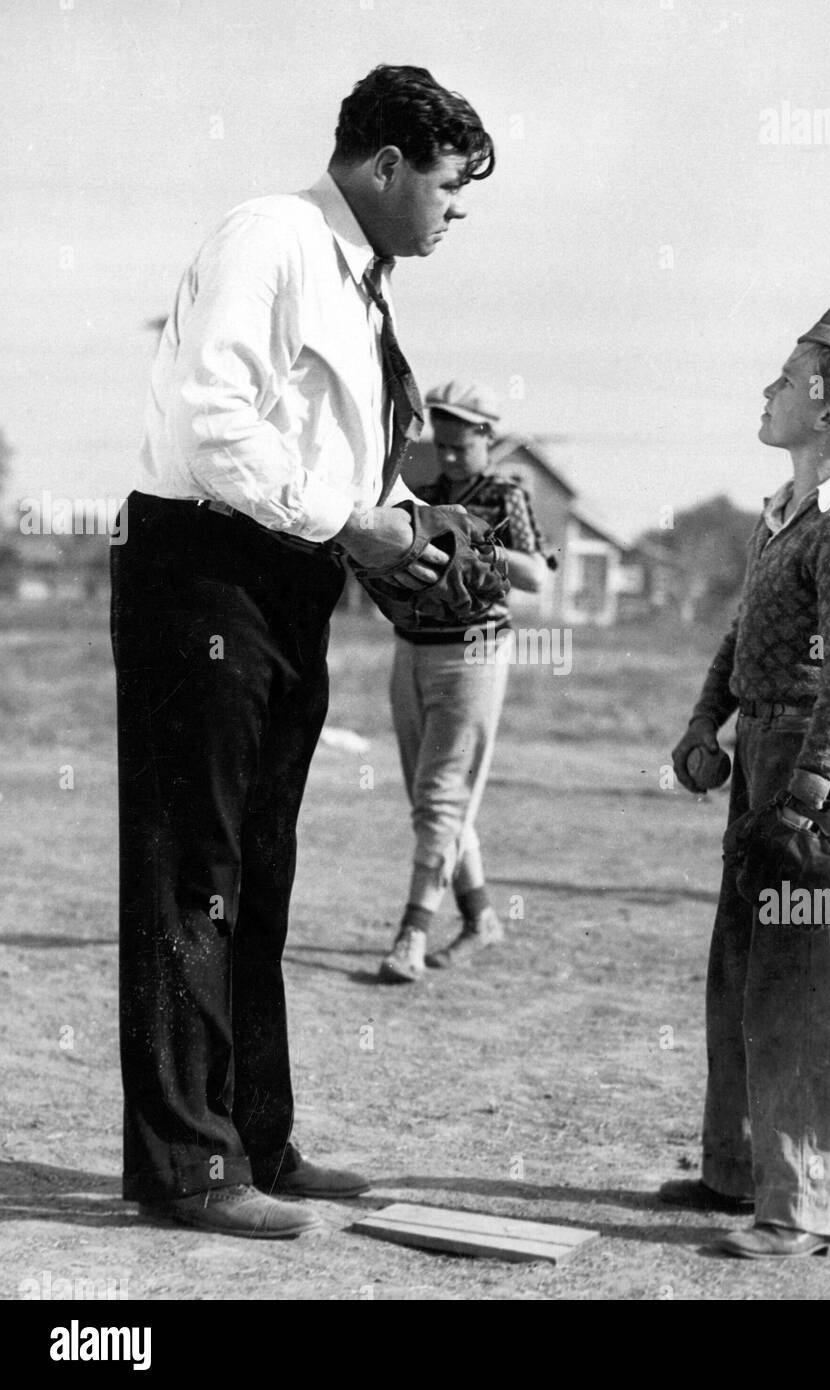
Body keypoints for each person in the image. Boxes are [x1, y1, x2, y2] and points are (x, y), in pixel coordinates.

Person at [110, 66, 495, 1238]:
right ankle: (183, 1165)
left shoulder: (360, 281)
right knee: (195, 868)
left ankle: (253, 1137)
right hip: (205, 571)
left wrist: (396, 536)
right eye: (442, 187)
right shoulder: (269, 240)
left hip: (287, 574)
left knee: (258, 872)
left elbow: (330, 456)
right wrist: (346, 523)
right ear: (383, 165)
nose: (448, 215)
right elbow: (207, 419)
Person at [666, 298, 830, 1259]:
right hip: (771, 757)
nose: (766, 393)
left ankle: (810, 1206)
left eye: (782, 380)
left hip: (823, 766)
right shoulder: (784, 516)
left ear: (824, 407)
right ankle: (737, 1172)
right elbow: (740, 636)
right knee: (744, 967)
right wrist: (704, 724)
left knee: (808, 983)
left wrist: (805, 799)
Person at [379, 382, 549, 983]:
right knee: (430, 797)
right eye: (441, 445)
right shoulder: (425, 492)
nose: (448, 457)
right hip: (413, 649)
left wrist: (482, 549)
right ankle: (480, 918)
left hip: (473, 652)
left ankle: (412, 934)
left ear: (487, 437)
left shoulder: (506, 490)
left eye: (460, 446)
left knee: (442, 797)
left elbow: (537, 575)